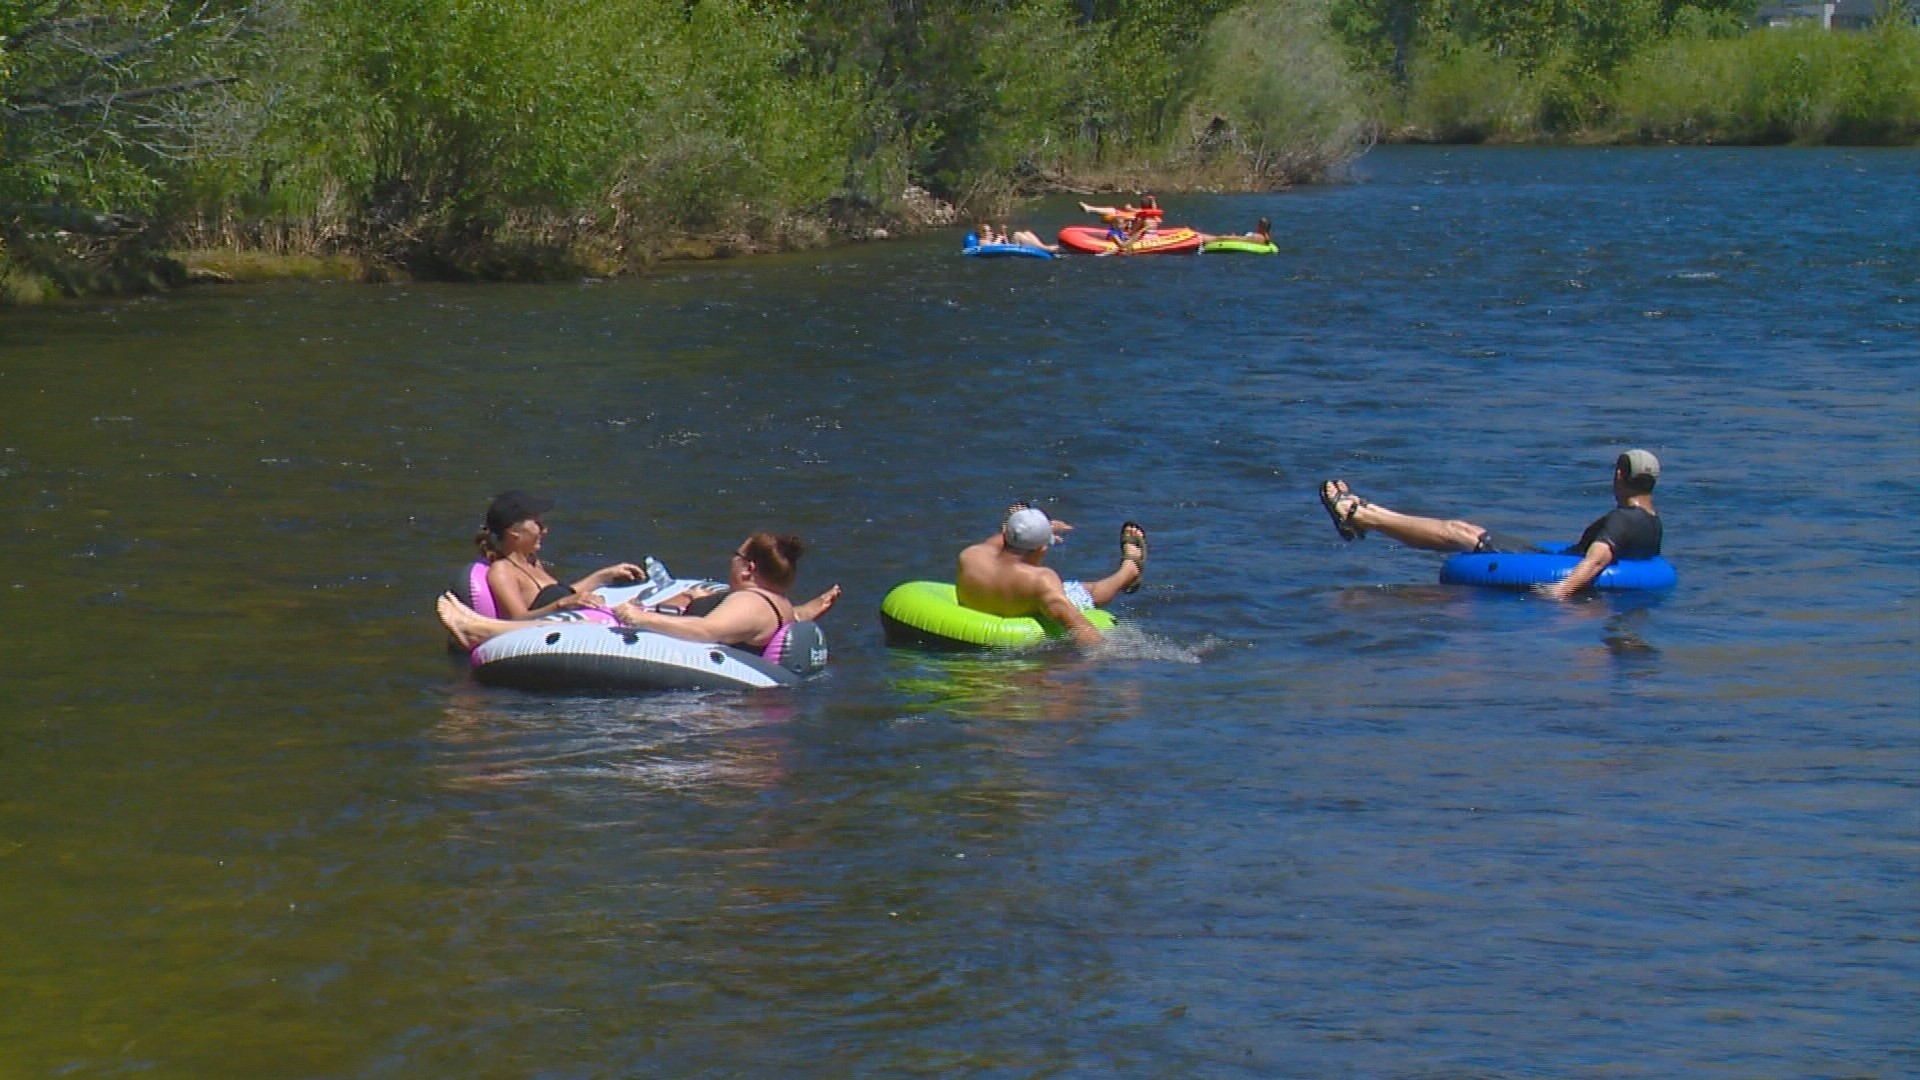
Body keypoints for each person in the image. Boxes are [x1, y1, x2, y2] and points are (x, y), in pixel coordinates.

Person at [1318, 450, 1664, 601]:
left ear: (1620, 474)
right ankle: (1366, 515)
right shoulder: (1652, 522)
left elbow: (1598, 559)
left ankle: (1360, 514)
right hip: (1554, 558)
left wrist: (1560, 591)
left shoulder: (1622, 518)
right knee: (1467, 532)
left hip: (1560, 570)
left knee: (1460, 532)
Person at [441, 532, 832, 652]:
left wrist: (641, 617)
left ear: (748, 568)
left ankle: (483, 631)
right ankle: (483, 628)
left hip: (703, 679)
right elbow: (782, 619)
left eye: (736, 555)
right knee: (597, 616)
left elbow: (707, 633)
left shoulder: (750, 600)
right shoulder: (778, 604)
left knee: (591, 621)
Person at [955, 505, 1147, 646]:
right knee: (1086, 591)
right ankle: (1129, 570)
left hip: (981, 606)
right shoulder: (1040, 581)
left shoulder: (971, 554)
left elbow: (996, 543)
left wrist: (1036, 529)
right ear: (1042, 547)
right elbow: (1081, 629)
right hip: (1025, 608)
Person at [474, 490, 644, 620]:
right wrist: (561, 605)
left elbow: (565, 594)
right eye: (538, 524)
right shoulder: (502, 571)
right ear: (514, 531)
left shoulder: (532, 561)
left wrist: (603, 577)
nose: (545, 530)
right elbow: (518, 618)